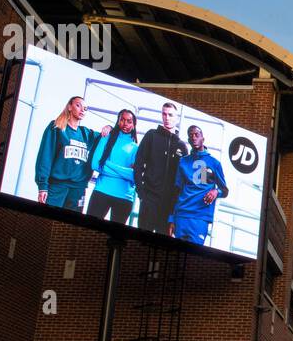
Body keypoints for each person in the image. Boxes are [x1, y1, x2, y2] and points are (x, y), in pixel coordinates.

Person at [34, 96, 111, 212]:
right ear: (69, 107)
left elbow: (106, 138)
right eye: (78, 105)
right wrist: (42, 186)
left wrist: (109, 127)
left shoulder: (86, 134)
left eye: (85, 108)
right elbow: (45, 157)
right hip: (57, 186)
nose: (82, 110)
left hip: (78, 189)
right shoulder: (56, 127)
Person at [167, 125, 229, 246]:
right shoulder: (183, 161)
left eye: (196, 134)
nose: (194, 137)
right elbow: (176, 191)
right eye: (191, 135)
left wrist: (216, 192)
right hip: (181, 215)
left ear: (203, 138)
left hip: (200, 217)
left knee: (193, 255)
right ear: (189, 140)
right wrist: (171, 219)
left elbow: (225, 190)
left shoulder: (214, 163)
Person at [133, 102, 188, 233]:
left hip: (168, 205)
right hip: (149, 199)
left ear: (177, 118)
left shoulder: (181, 146)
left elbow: (184, 179)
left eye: (170, 114)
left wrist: (175, 207)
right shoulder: (151, 135)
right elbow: (138, 164)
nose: (167, 117)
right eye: (164, 114)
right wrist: (141, 193)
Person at [85, 109, 139, 223]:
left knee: (116, 239)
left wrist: (107, 163)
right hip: (101, 191)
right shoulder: (106, 137)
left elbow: (134, 176)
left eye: (129, 121)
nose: (125, 124)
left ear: (134, 125)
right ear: (118, 121)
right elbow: (95, 164)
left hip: (124, 197)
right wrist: (125, 172)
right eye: (122, 120)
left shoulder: (136, 148)